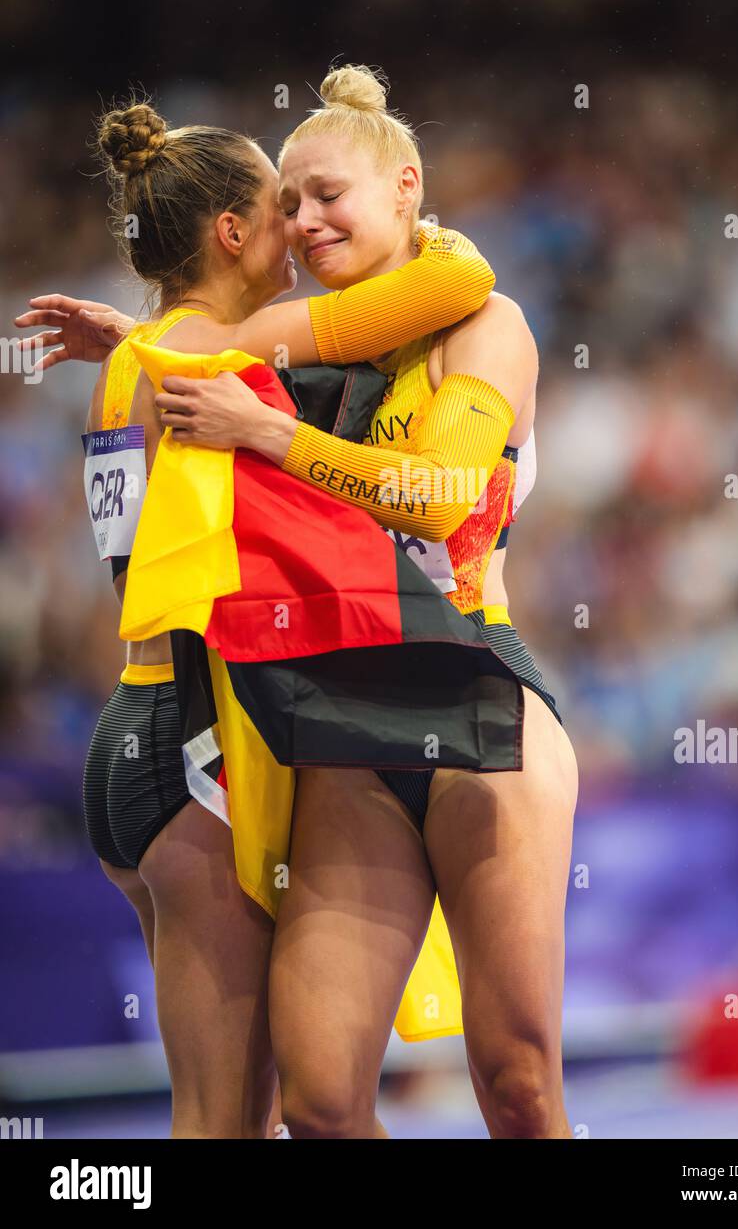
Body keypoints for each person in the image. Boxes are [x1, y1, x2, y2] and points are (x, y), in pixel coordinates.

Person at [22, 92, 509, 1137]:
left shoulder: (133, 361)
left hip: (130, 741)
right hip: (203, 748)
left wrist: (143, 336)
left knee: (246, 1108)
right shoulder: (233, 369)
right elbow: (460, 278)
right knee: (229, 1125)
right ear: (230, 232)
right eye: (279, 208)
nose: (298, 230)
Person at [147, 66, 580, 1139]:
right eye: (288, 203)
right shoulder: (297, 349)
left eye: (327, 193)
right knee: (321, 1098)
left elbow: (436, 500)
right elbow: (206, 333)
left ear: (405, 185)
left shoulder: (486, 325)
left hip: (478, 705)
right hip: (346, 724)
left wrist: (269, 436)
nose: (304, 219)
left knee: (515, 1082)